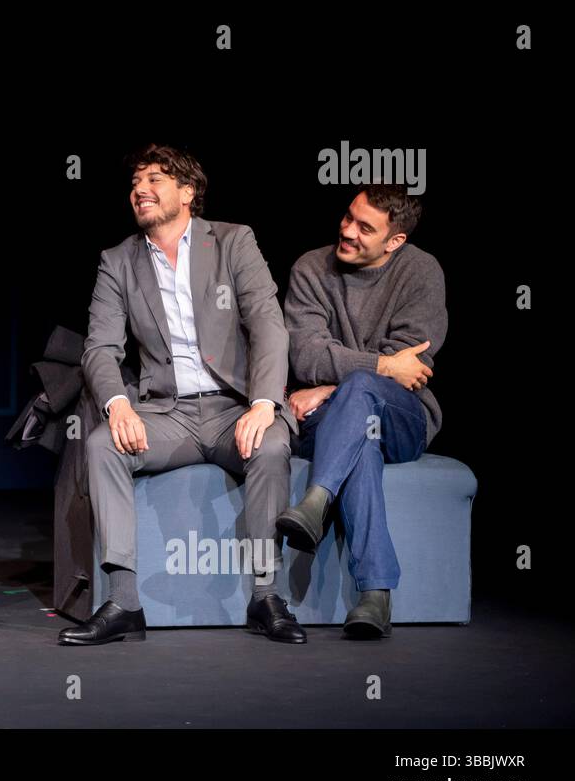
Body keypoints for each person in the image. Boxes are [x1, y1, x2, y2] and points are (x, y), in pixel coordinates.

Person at [63, 144, 304, 646]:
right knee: (103, 444)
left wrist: (263, 402)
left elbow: (268, 324)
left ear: (188, 192)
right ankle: (124, 600)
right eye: (135, 182)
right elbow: (99, 348)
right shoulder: (118, 261)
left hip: (232, 406)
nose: (140, 189)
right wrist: (119, 403)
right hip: (166, 412)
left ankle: (266, 595)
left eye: (155, 179)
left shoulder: (234, 242)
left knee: (273, 445)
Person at [278, 184, 446, 638]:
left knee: (361, 396)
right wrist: (378, 366)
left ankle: (317, 500)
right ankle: (375, 594)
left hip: (402, 415)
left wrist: (339, 383)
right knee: (360, 447)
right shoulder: (311, 268)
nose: (348, 231)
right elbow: (304, 355)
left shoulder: (421, 272)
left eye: (364, 228)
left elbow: (412, 368)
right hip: (332, 423)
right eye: (348, 217)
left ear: (395, 241)